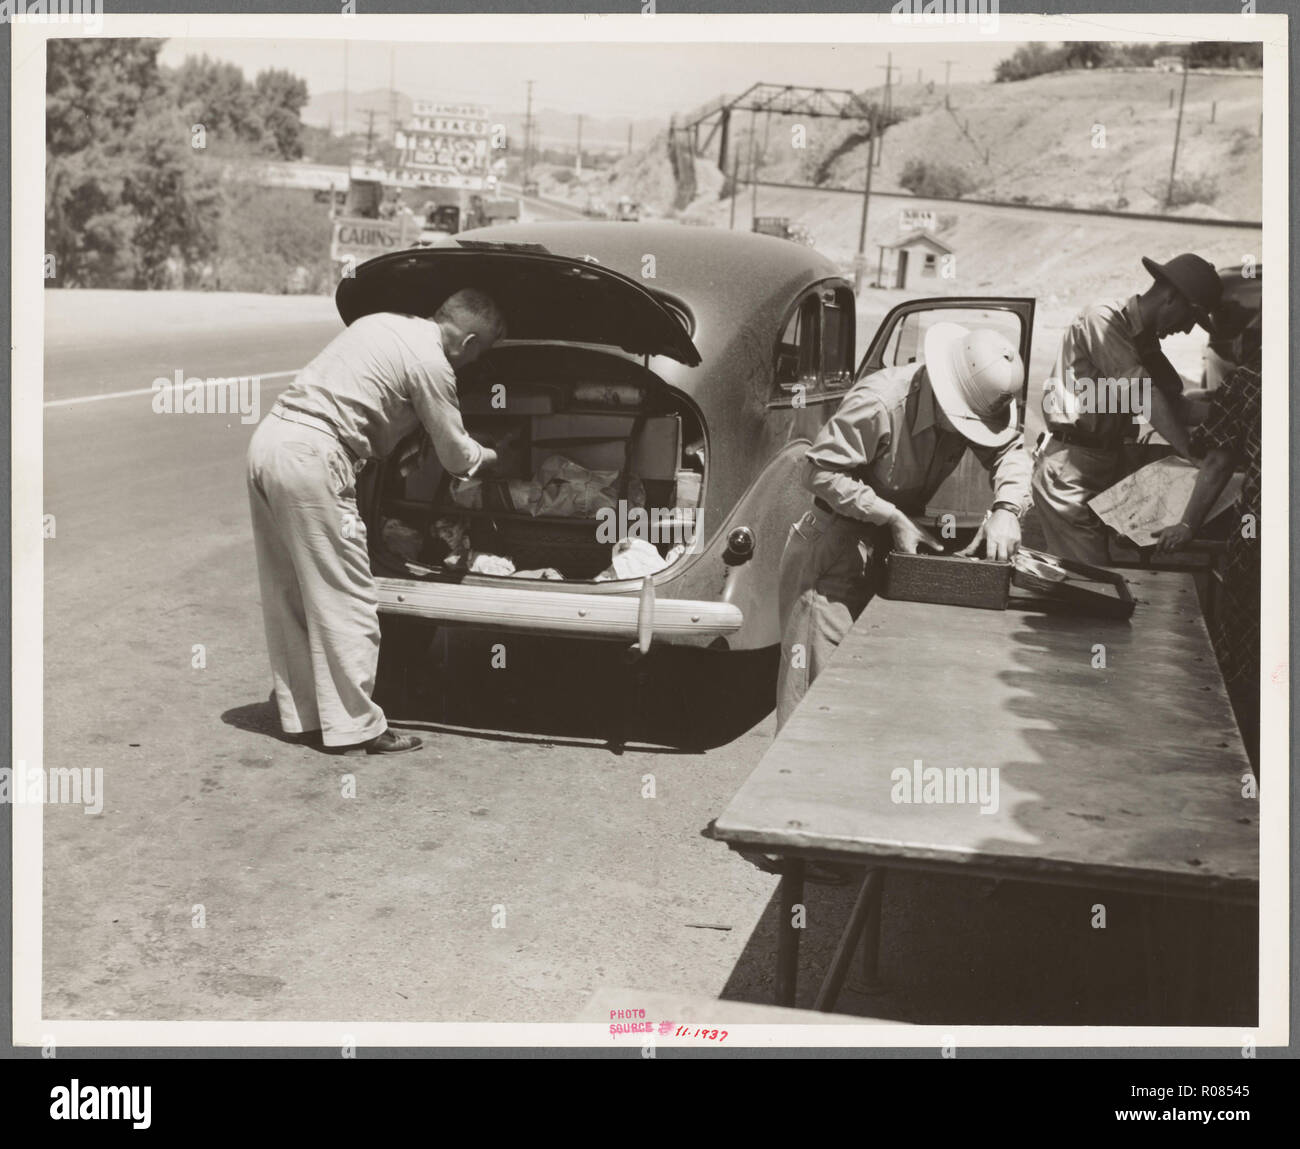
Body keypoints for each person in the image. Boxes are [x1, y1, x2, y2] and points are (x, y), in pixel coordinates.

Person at [246, 289, 507, 754]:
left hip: (270, 443)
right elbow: (455, 455)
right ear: (469, 343)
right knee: (349, 597)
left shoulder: (381, 322)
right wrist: (492, 456)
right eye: (480, 353)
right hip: (316, 459)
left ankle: (305, 716)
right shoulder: (432, 364)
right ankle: (358, 726)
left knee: (288, 590)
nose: (473, 363)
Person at [775, 324, 1032, 730]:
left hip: (885, 548)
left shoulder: (973, 399)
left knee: (864, 696)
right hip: (831, 553)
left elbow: (1009, 450)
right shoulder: (879, 403)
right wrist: (891, 516)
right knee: (816, 703)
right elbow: (819, 472)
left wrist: (1006, 509)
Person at [1031, 253, 1222, 564]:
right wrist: (1190, 452)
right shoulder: (1102, 319)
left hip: (1107, 467)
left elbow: (1177, 408)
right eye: (1190, 317)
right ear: (1171, 298)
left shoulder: (1144, 343)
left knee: (1114, 575)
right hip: (1070, 470)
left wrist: (1236, 410)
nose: (1187, 330)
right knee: (1094, 585)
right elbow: (1142, 394)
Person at [1155, 315, 1261, 769]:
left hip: (1261, 539)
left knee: (1245, 656)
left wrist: (1187, 526)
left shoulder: (1252, 381)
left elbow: (1217, 463)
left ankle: (1245, 763)